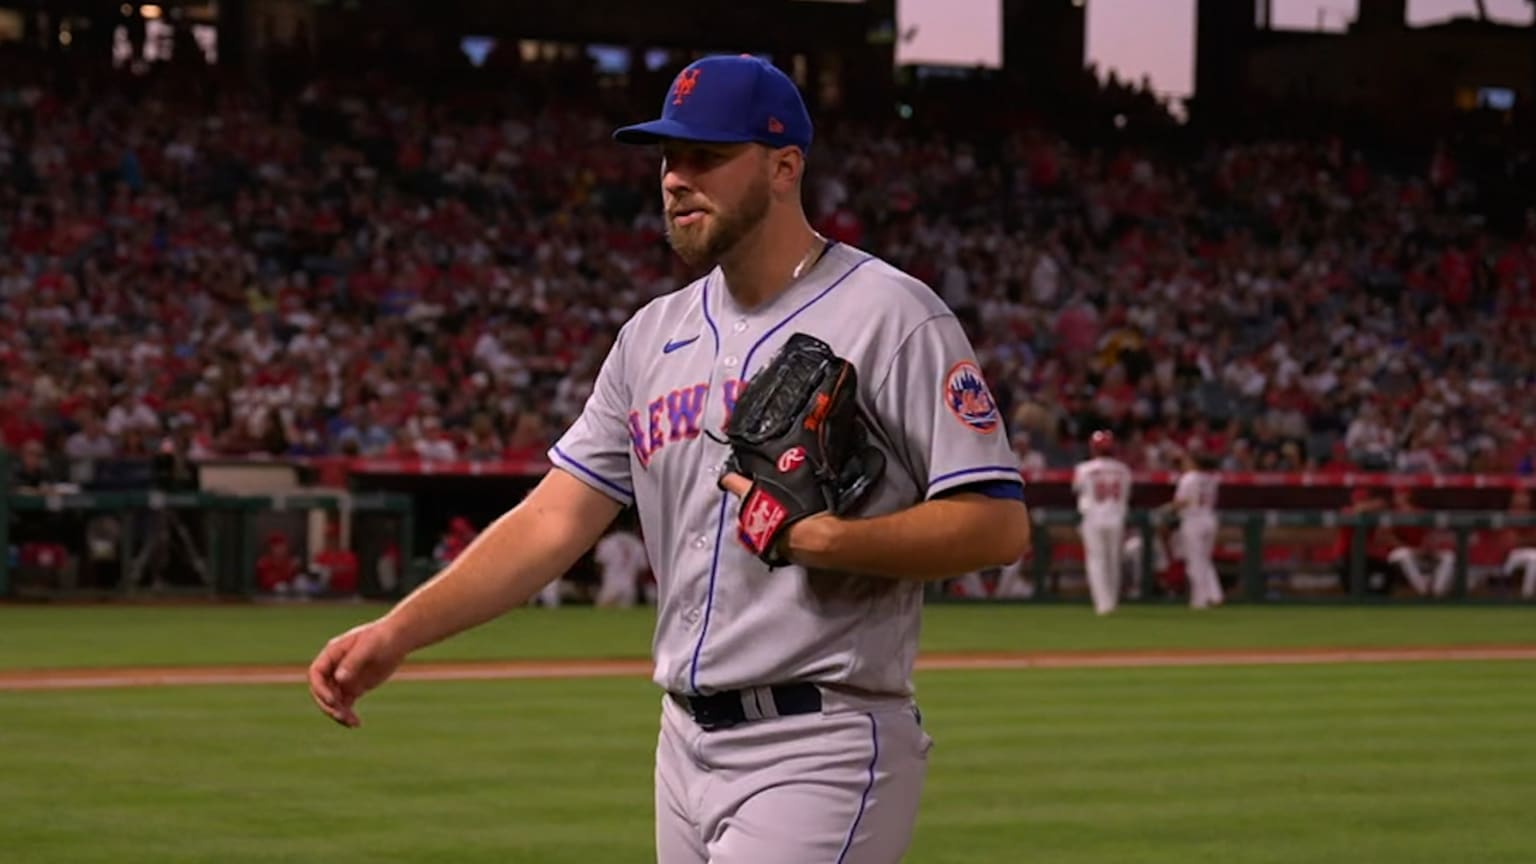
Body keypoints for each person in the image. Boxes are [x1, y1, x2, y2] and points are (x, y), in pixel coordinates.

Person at [307, 54, 1030, 864]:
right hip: (679, 744)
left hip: (819, 739)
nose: (677, 178)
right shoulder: (652, 336)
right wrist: (399, 632)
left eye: (706, 156)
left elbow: (996, 525)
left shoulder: (891, 316)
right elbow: (554, 520)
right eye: (667, 157)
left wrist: (829, 540)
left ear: (785, 166)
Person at [1072, 429, 1132, 614]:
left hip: (1093, 517)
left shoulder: (1083, 469)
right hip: (1116, 516)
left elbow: (1077, 489)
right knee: (1113, 560)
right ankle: (1112, 602)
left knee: (1097, 560)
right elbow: (1126, 495)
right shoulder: (1123, 469)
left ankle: (1103, 604)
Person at [1169, 450, 1222, 608]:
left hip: (1193, 520)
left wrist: (1167, 508)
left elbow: (1181, 502)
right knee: (1204, 560)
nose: (1184, 464)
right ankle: (1215, 595)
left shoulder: (1188, 478)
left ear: (1194, 463)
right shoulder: (1211, 479)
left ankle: (1199, 600)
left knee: (1195, 563)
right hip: (1209, 519)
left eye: (1187, 461)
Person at [593, 518, 649, 607]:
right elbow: (642, 570)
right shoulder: (637, 544)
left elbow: (600, 565)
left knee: (603, 618)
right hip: (629, 587)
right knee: (625, 619)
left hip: (610, 584)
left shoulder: (608, 542)